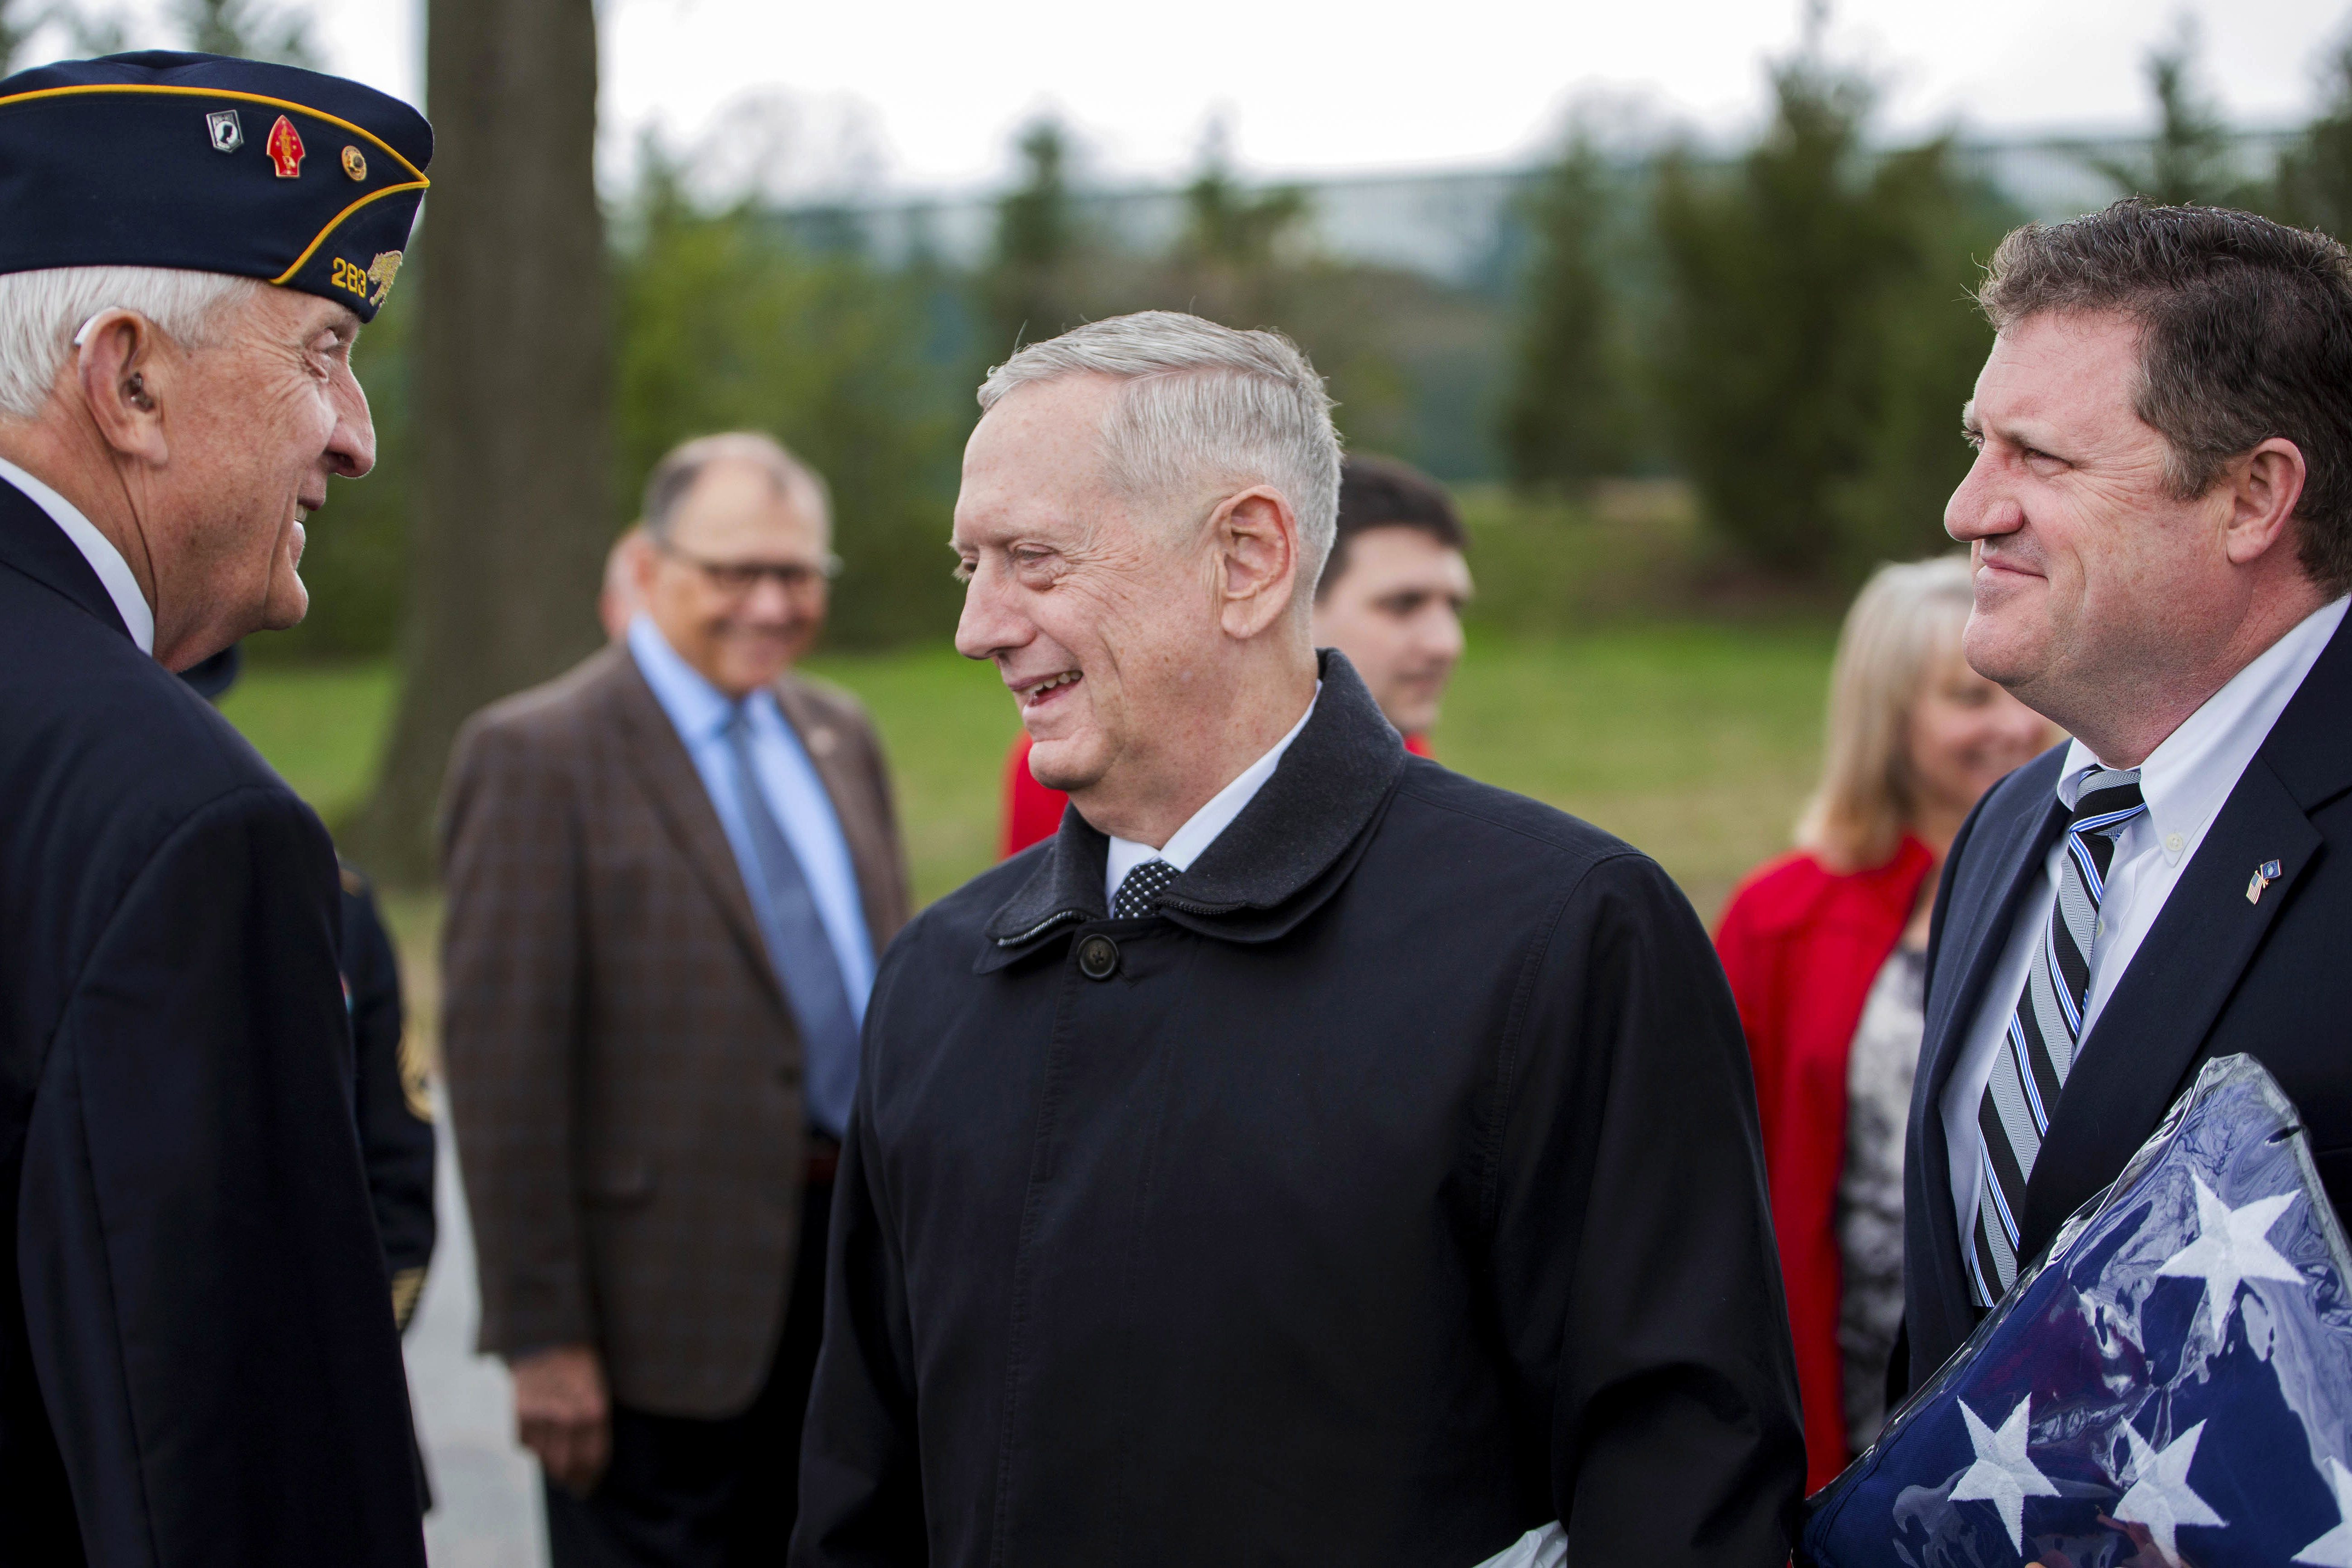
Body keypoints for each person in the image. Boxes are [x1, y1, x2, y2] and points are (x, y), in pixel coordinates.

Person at [794, 312, 1804, 1567]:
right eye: (970, 565)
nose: (980, 624)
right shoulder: (943, 977)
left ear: (1247, 557)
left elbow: (1681, 1478)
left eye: (1034, 558)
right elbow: (861, 1493)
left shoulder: (1564, 937)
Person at [0, 50, 432, 1565]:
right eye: (322, 352)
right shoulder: (181, 818)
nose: (356, 435)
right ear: (127, 381)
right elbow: (242, 1467)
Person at [1902, 200, 2352, 1395]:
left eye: (2038, 457)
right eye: (1976, 443)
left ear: (2254, 497)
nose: (1968, 509)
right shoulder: (2012, 829)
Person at [442, 432, 912, 1566]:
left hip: (849, 1278)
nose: (769, 601)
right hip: (657, 1320)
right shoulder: (537, 754)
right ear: (650, 569)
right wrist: (544, 1336)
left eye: (796, 573)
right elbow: (505, 1068)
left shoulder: (841, 733)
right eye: (732, 570)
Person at [1714, 556, 2051, 1489]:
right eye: (1965, 699)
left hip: (2047, 1369)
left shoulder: (2101, 880)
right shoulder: (1781, 919)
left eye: (2020, 690)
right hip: (1843, 1377)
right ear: (1884, 714)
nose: (2012, 726)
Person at [996, 451, 1471, 856]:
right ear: (1275, 582)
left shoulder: (1399, 754)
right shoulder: (1084, 755)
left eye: (1452, 606)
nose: (1446, 643)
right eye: (1403, 605)